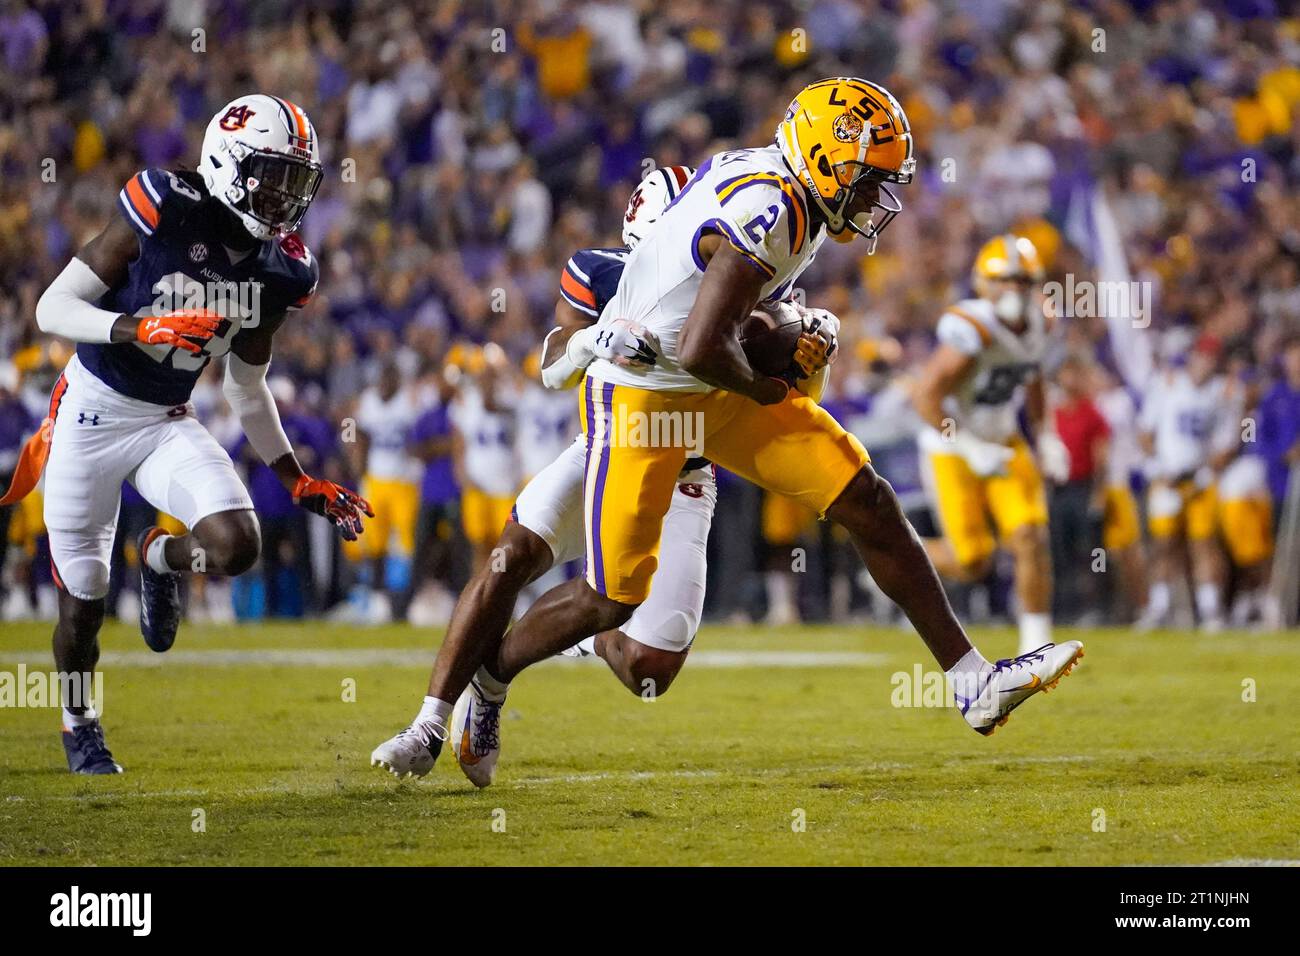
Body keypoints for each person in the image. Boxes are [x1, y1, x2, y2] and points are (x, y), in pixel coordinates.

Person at [373, 79, 1082, 786]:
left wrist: (791, 333)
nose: (874, 202)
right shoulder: (770, 206)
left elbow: (723, 319)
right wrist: (775, 379)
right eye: (867, 182)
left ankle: (972, 681)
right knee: (611, 597)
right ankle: (491, 674)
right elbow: (701, 345)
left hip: (710, 383)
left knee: (864, 495)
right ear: (824, 159)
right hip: (651, 400)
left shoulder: (778, 186)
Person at [0, 95, 371, 774]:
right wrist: (138, 327)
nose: (286, 195)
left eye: (297, 179)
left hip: (167, 419)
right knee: (82, 605)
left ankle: (162, 559)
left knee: (237, 545)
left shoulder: (282, 268)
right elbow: (53, 307)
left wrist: (297, 479)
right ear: (228, 163)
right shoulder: (164, 204)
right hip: (92, 409)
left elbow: (245, 386)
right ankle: (80, 721)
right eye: (272, 174)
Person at [911, 234, 1066, 654]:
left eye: (1022, 280)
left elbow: (1033, 380)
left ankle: (1037, 647)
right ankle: (895, 554)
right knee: (972, 561)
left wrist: (1046, 434)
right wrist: (966, 444)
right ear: (984, 284)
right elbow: (924, 397)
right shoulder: (974, 328)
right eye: (1005, 280)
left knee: (1030, 535)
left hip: (1003, 439)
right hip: (952, 446)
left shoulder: (1042, 322)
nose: (1014, 289)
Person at [1137, 336, 1232, 632]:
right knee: (1164, 544)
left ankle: (1210, 610)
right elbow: (1145, 433)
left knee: (1203, 543)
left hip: (1199, 480)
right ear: (1192, 357)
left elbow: (1226, 443)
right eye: (1202, 356)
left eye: (1211, 358)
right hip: (1166, 478)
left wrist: (1205, 472)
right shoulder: (1166, 384)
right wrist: (1158, 468)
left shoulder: (1223, 393)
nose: (1205, 363)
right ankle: (1158, 607)